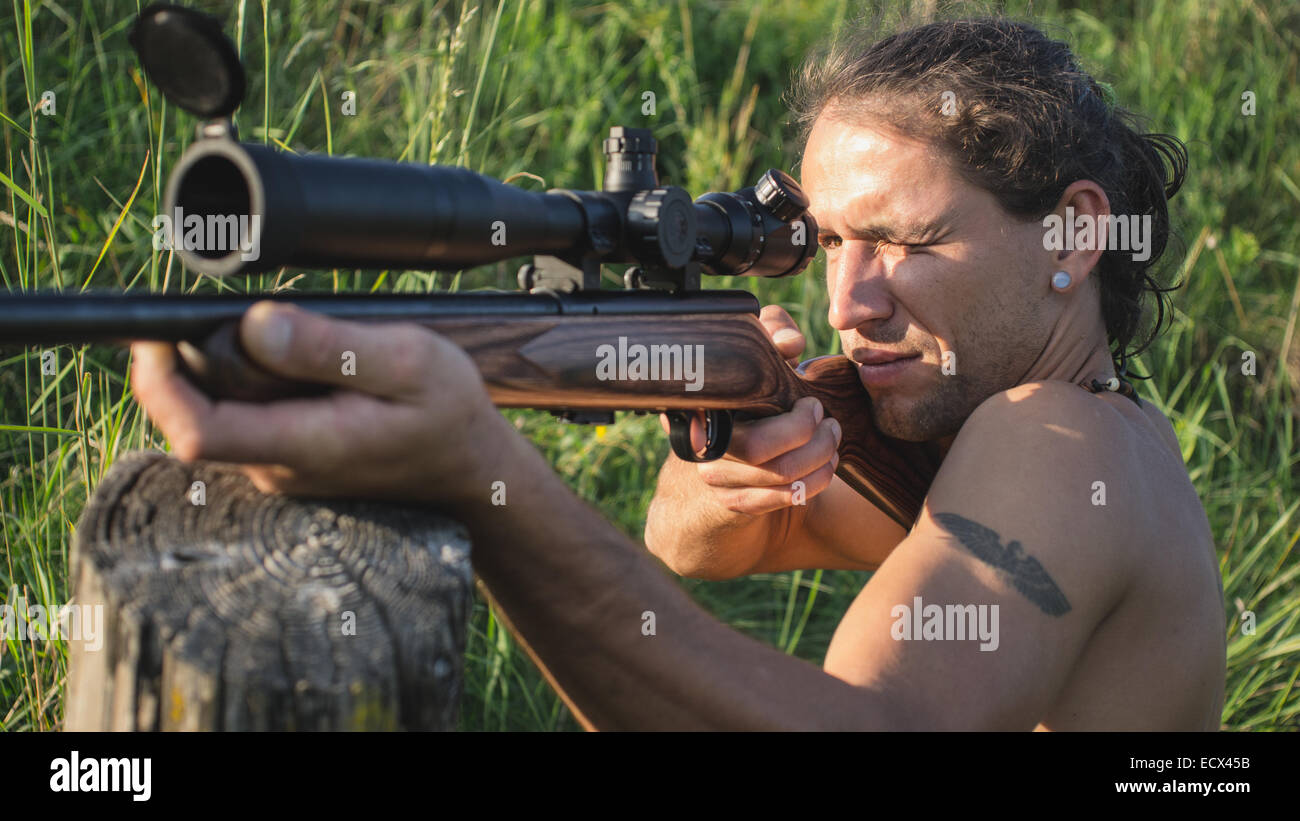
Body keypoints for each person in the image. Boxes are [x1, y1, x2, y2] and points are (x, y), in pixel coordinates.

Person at [130, 17, 1226, 730]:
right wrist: (718, 471)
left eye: (907, 242)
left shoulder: (1058, 442)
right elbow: (684, 544)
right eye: (833, 242)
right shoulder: (1029, 440)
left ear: (1072, 236)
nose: (848, 301)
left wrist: (480, 479)